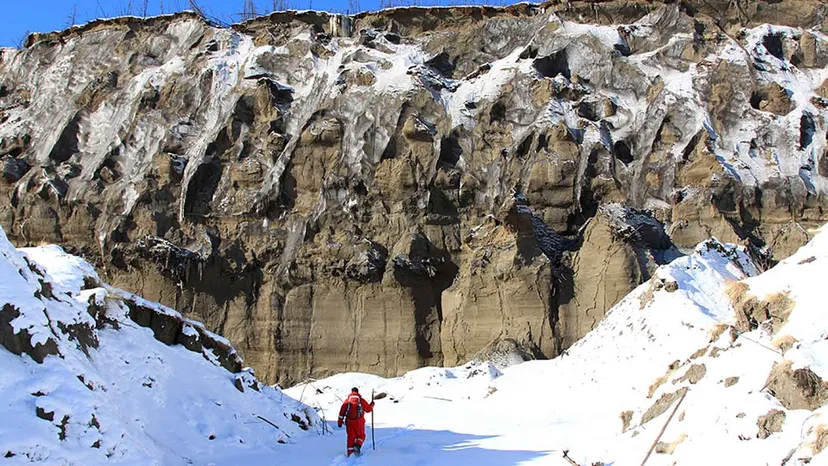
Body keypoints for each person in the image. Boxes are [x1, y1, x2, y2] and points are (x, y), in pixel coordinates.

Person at [337, 387, 374, 456]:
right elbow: (368, 409)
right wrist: (372, 404)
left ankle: (350, 453)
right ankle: (357, 445)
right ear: (358, 392)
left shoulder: (347, 401)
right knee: (361, 435)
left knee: (351, 437)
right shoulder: (361, 400)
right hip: (359, 421)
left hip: (349, 421)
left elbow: (341, 412)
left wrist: (340, 422)